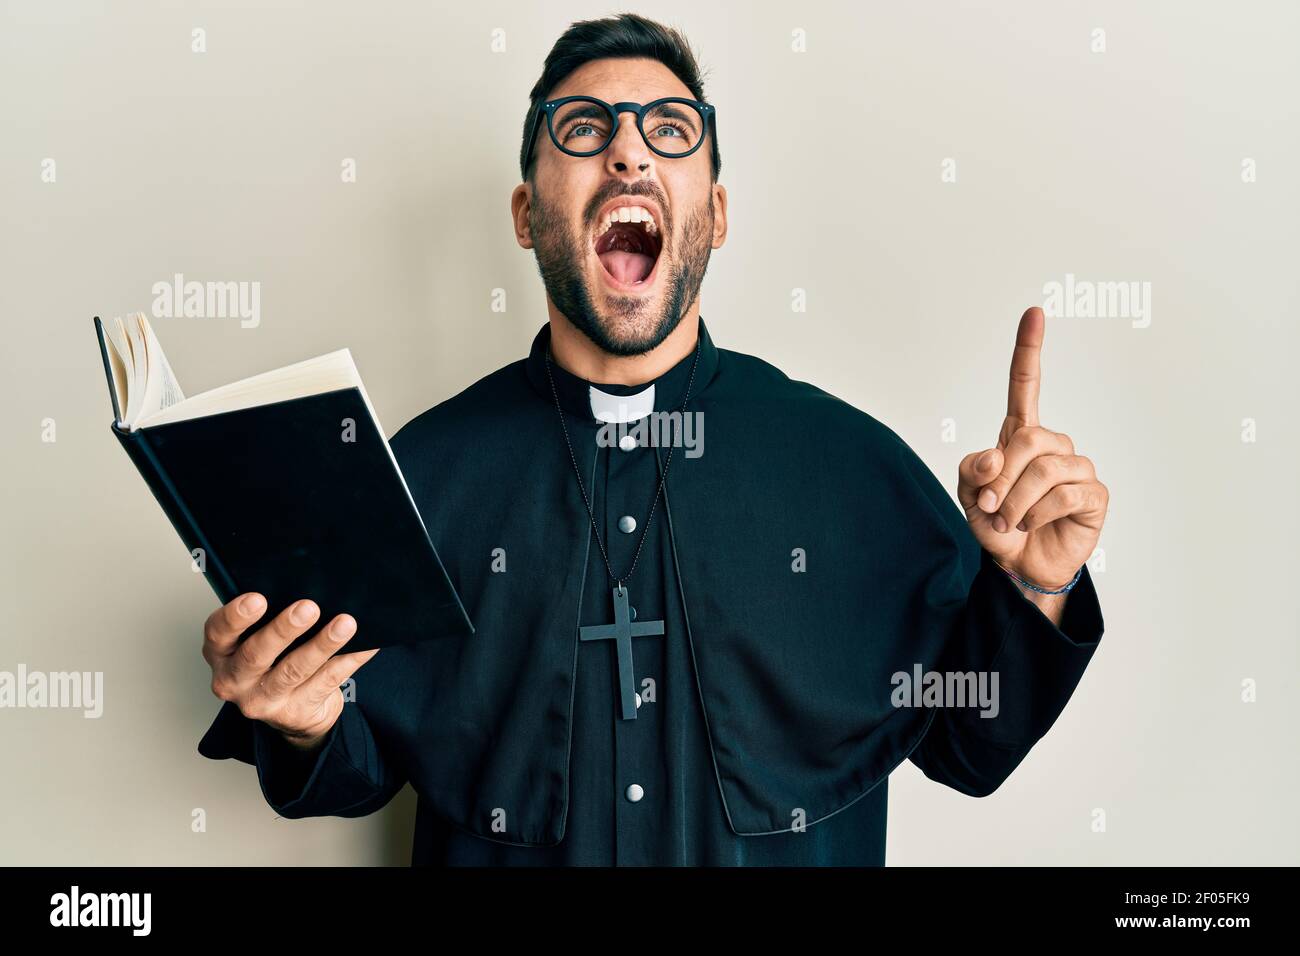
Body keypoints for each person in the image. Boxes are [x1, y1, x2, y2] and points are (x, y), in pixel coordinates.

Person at [198, 13, 1108, 865]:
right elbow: (357, 763)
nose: (628, 149)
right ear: (525, 215)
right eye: (584, 129)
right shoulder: (422, 475)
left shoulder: (852, 468)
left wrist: (1037, 583)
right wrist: (301, 717)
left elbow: (969, 747)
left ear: (713, 213)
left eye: (669, 128)